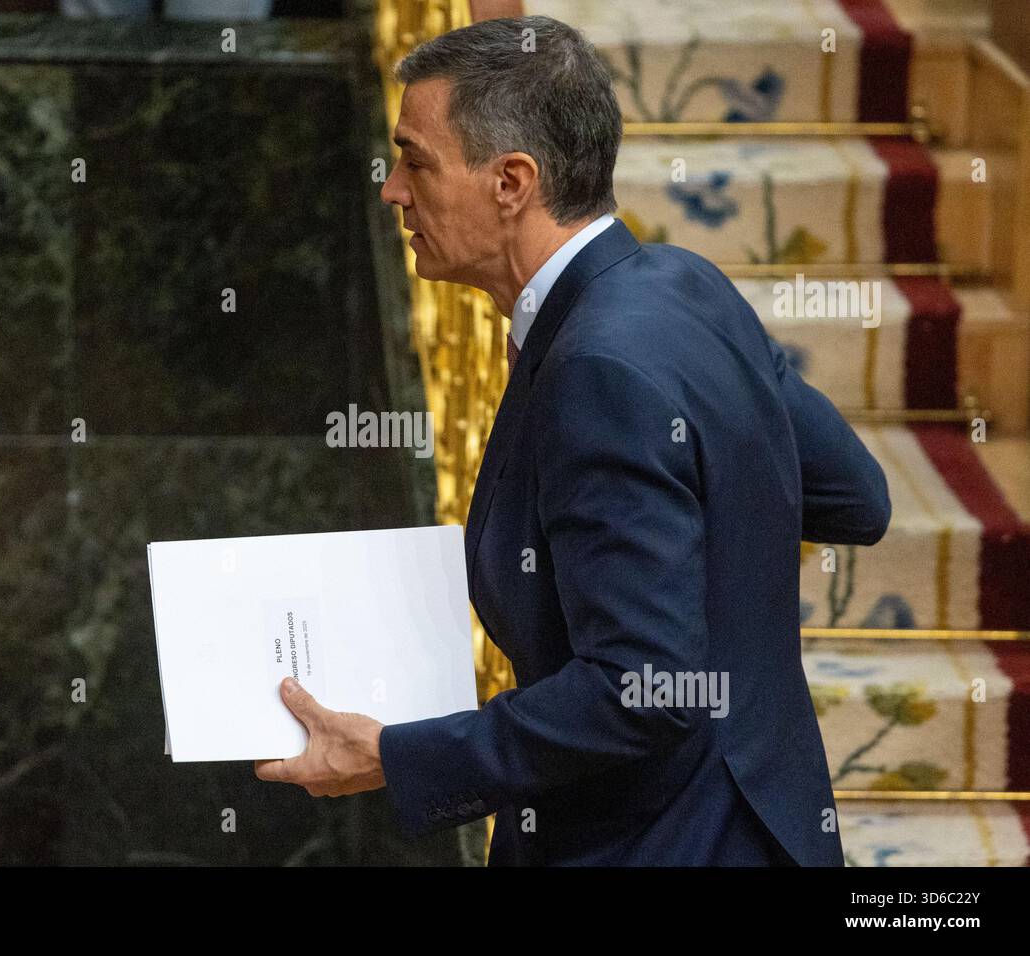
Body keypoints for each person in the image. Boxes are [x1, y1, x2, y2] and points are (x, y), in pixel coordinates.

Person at [255, 15, 890, 866]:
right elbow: (857, 496)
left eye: (416, 160)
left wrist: (398, 756)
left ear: (512, 180)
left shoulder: (598, 371)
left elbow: (640, 691)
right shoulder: (684, 283)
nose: (393, 191)